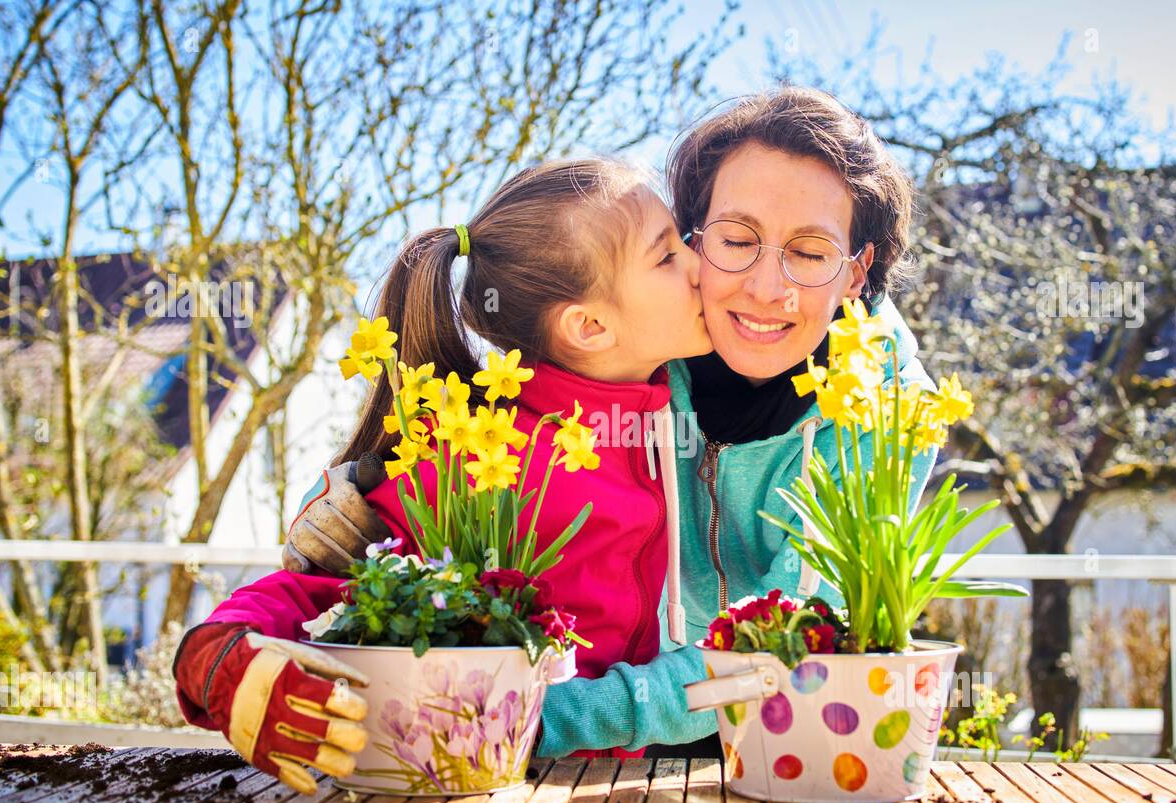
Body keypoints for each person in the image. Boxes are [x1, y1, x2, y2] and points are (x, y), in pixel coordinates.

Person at [282, 87, 941, 763]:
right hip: (632, 754)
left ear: (858, 272)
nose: (767, 290)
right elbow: (490, 412)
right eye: (737, 240)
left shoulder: (889, 410)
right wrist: (352, 491)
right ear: (695, 239)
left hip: (796, 744)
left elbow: (784, 645)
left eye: (809, 253)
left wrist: (544, 721)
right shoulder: (647, 339)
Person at [172, 157, 713, 793]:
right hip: (498, 793)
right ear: (589, 326)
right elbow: (324, 580)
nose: (701, 264)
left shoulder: (665, 404)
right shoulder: (480, 450)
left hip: (626, 792)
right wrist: (220, 658)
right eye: (667, 256)